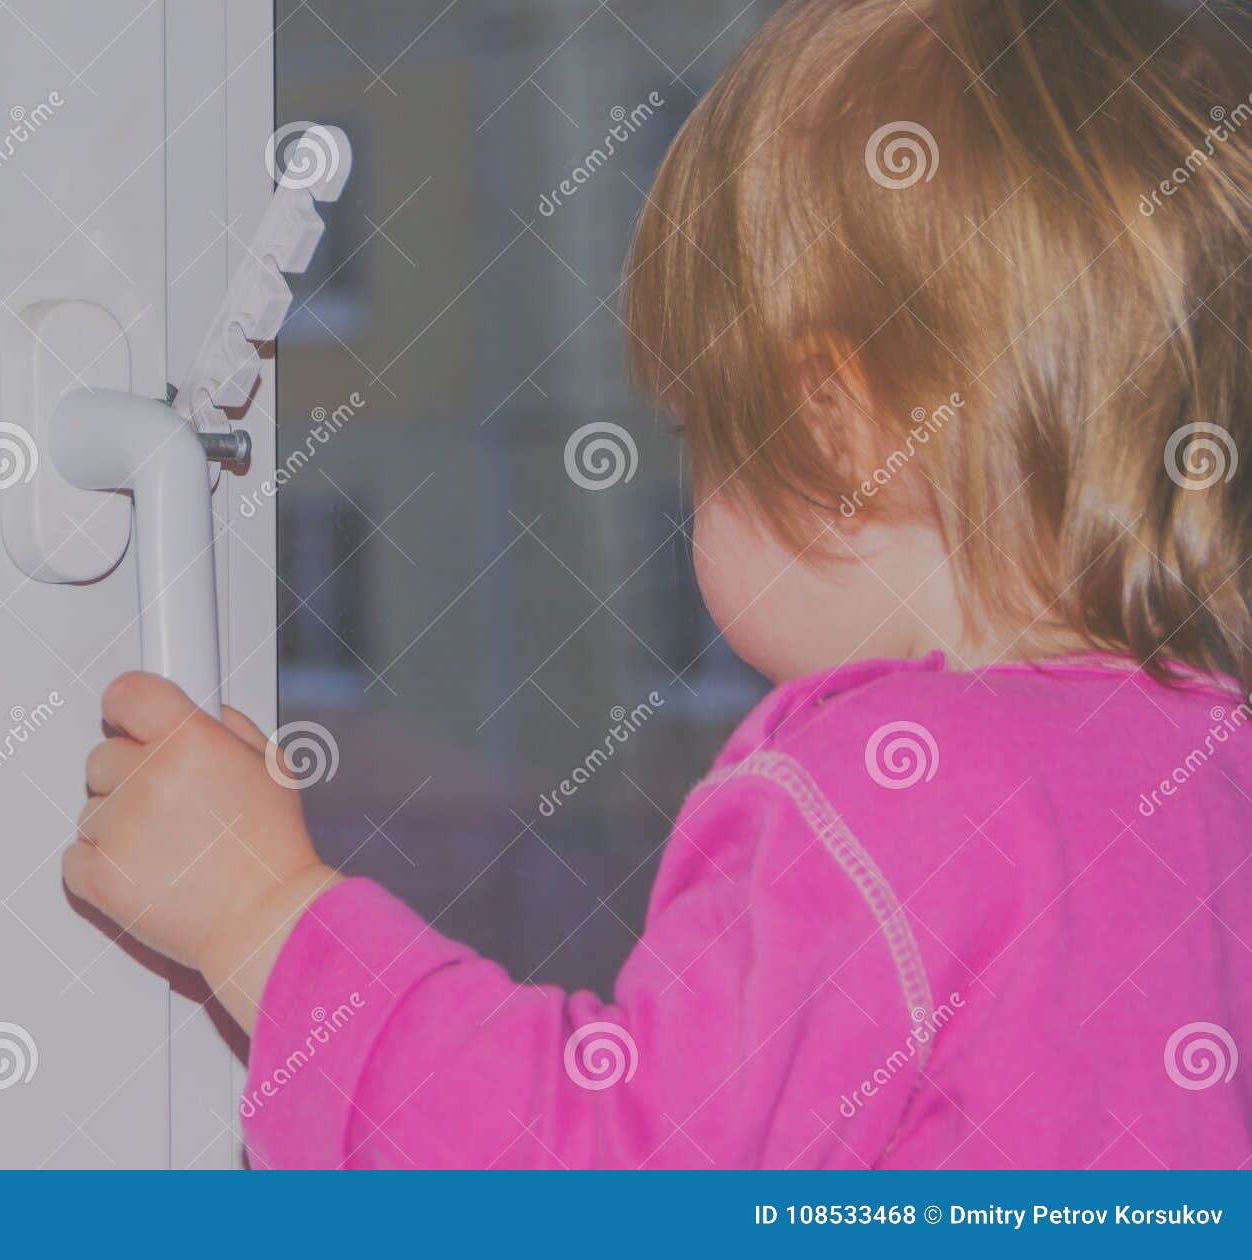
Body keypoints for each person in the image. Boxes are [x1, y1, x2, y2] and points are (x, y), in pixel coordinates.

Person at [62, 0, 1252, 1168]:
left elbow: (608, 1172)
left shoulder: (900, 794)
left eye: (694, 433)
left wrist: (261, 916)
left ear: (835, 431)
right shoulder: (1207, 775)